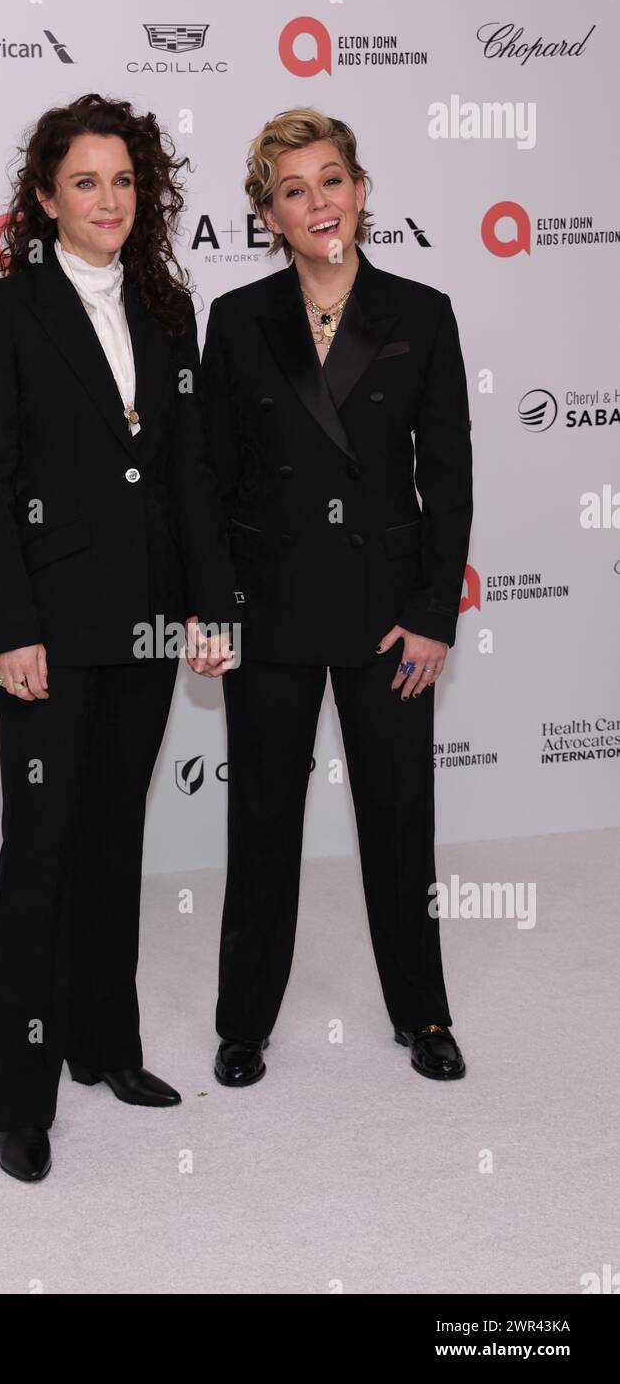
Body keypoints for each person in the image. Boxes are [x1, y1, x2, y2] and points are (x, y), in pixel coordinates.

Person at [0, 93, 240, 1182]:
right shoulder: (3, 312)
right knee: (38, 857)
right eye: (84, 181)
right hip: (47, 633)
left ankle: (103, 1046)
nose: (107, 198)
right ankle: (20, 1098)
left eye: (123, 180)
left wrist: (209, 607)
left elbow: (184, 475)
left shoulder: (170, 310)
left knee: (113, 843)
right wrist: (11, 629)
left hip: (143, 622)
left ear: (145, 191)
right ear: (44, 198)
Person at [196, 107, 473, 1088]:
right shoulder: (234, 320)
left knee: (400, 814)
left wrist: (434, 614)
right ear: (267, 214)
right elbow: (208, 478)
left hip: (386, 610)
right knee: (261, 815)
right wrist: (211, 603)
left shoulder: (421, 310)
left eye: (330, 180)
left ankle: (423, 1012)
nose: (317, 202)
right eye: (292, 189)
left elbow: (445, 476)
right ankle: (242, 1022)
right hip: (267, 604)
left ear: (359, 189)